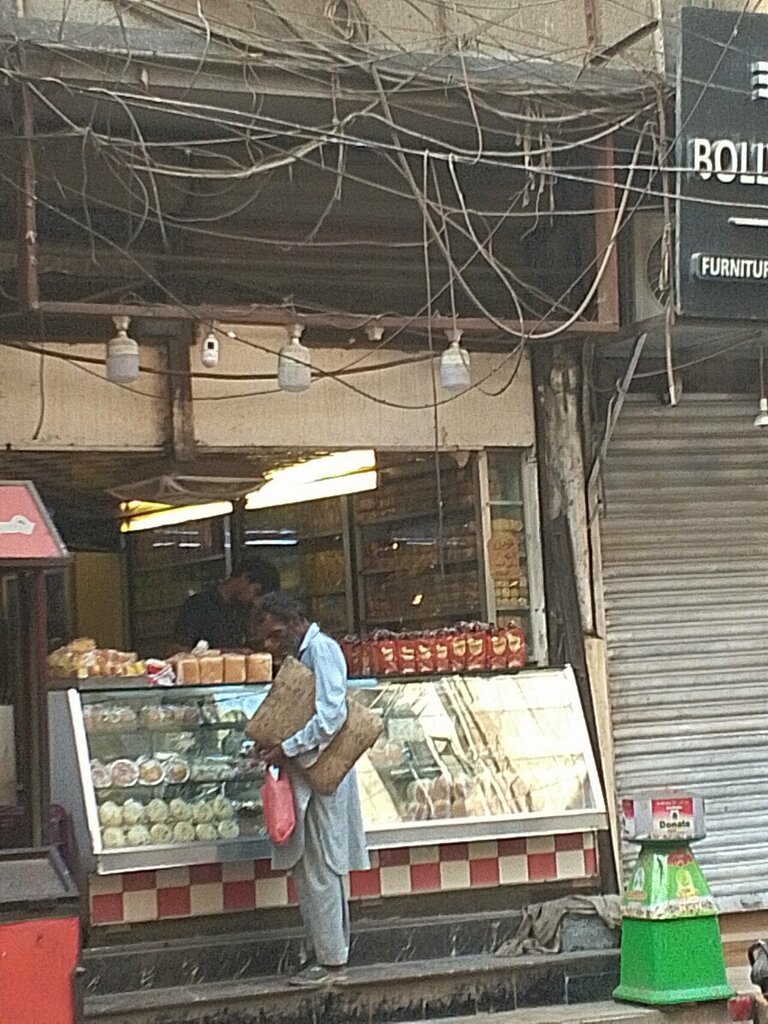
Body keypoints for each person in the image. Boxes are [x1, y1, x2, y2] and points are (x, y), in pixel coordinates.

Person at [258, 591, 369, 988]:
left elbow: (330, 717)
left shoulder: (322, 651)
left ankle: (331, 960)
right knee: (314, 868)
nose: (272, 644)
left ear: (294, 620)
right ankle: (326, 950)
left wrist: (285, 747)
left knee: (321, 868)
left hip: (322, 775)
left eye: (275, 634)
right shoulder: (305, 655)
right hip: (308, 773)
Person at [174, 556, 280, 650]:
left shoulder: (246, 609)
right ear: (245, 577)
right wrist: (225, 654)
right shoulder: (198, 605)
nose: (254, 600)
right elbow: (177, 649)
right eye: (256, 591)